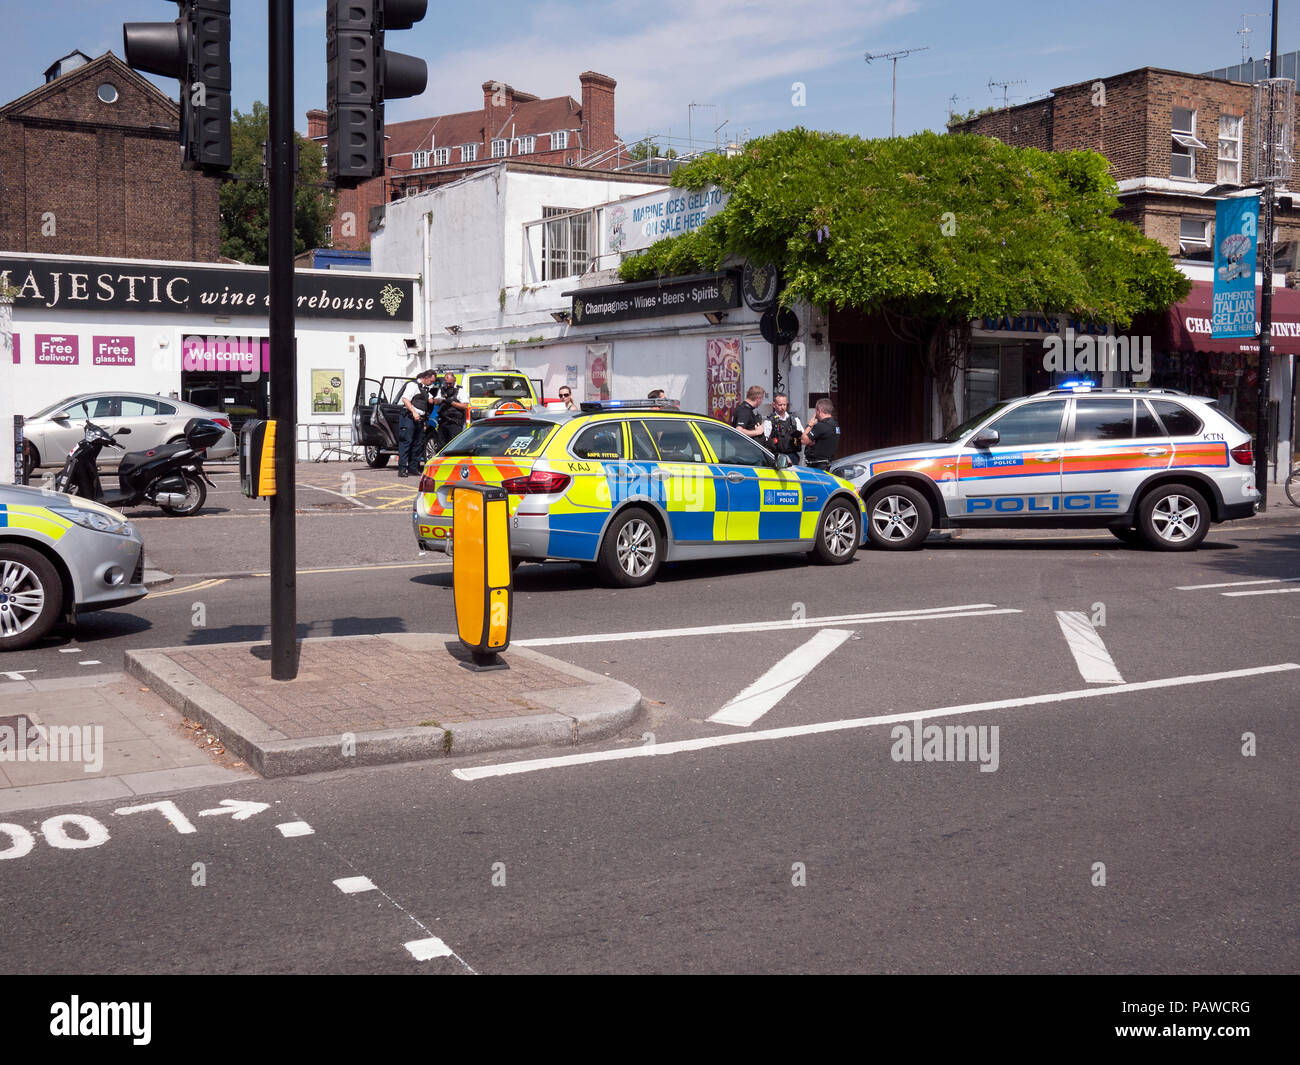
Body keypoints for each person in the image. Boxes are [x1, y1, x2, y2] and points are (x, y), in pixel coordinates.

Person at [397, 368, 437, 477]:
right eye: (431, 381)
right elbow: (405, 399)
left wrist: (434, 399)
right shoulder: (413, 385)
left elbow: (430, 400)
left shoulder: (425, 388)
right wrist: (414, 412)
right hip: (409, 417)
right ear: (425, 378)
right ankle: (402, 469)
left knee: (417, 444)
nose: (432, 383)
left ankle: (413, 468)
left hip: (420, 419)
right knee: (406, 442)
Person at [433, 370, 470, 449]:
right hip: (443, 422)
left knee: (454, 446)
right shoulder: (442, 390)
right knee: (441, 447)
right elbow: (435, 401)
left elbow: (465, 406)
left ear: (454, 381)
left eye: (450, 383)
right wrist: (440, 400)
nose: (448, 385)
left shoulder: (460, 391)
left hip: (455, 422)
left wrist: (451, 402)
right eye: (446, 383)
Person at [763, 392, 804, 464]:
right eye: (780, 405)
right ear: (774, 405)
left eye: (784, 404)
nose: (782, 407)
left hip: (792, 456)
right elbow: (766, 442)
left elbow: (803, 437)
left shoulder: (794, 420)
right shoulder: (769, 421)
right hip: (776, 457)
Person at [801, 398, 841, 469]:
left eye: (815, 410)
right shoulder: (835, 424)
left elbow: (804, 440)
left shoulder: (821, 425)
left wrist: (810, 424)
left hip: (817, 466)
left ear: (819, 411)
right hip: (828, 464)